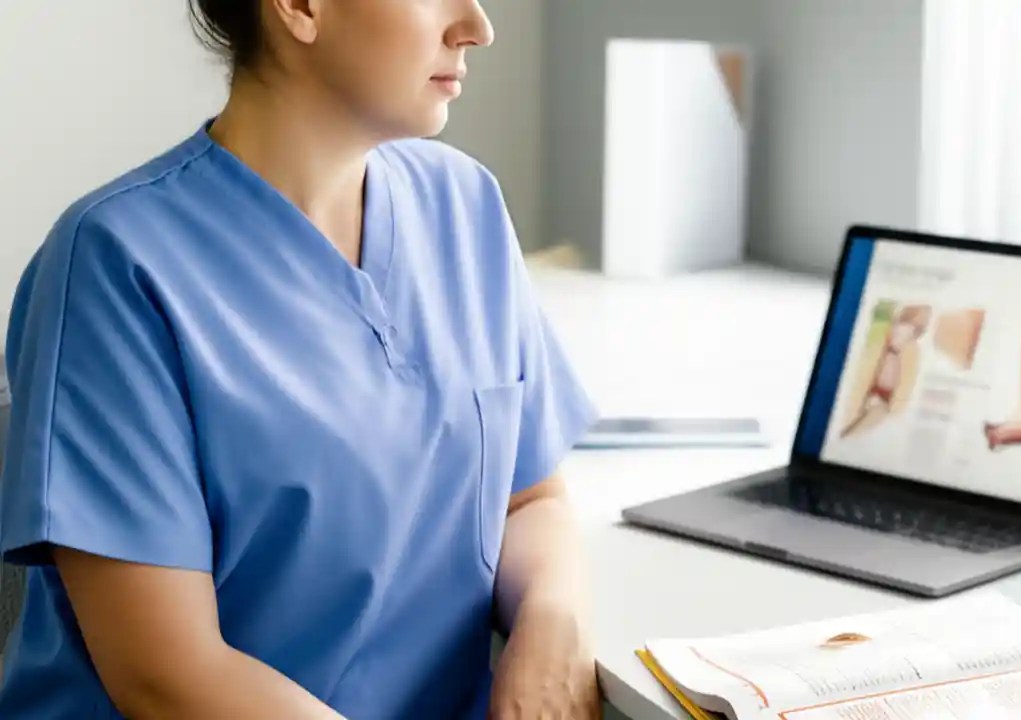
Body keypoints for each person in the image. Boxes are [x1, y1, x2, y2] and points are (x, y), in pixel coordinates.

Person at [0, 1, 601, 717]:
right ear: (299, 6)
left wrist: (553, 617)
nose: (476, 24)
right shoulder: (115, 264)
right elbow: (166, 675)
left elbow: (529, 498)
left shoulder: (463, 205)